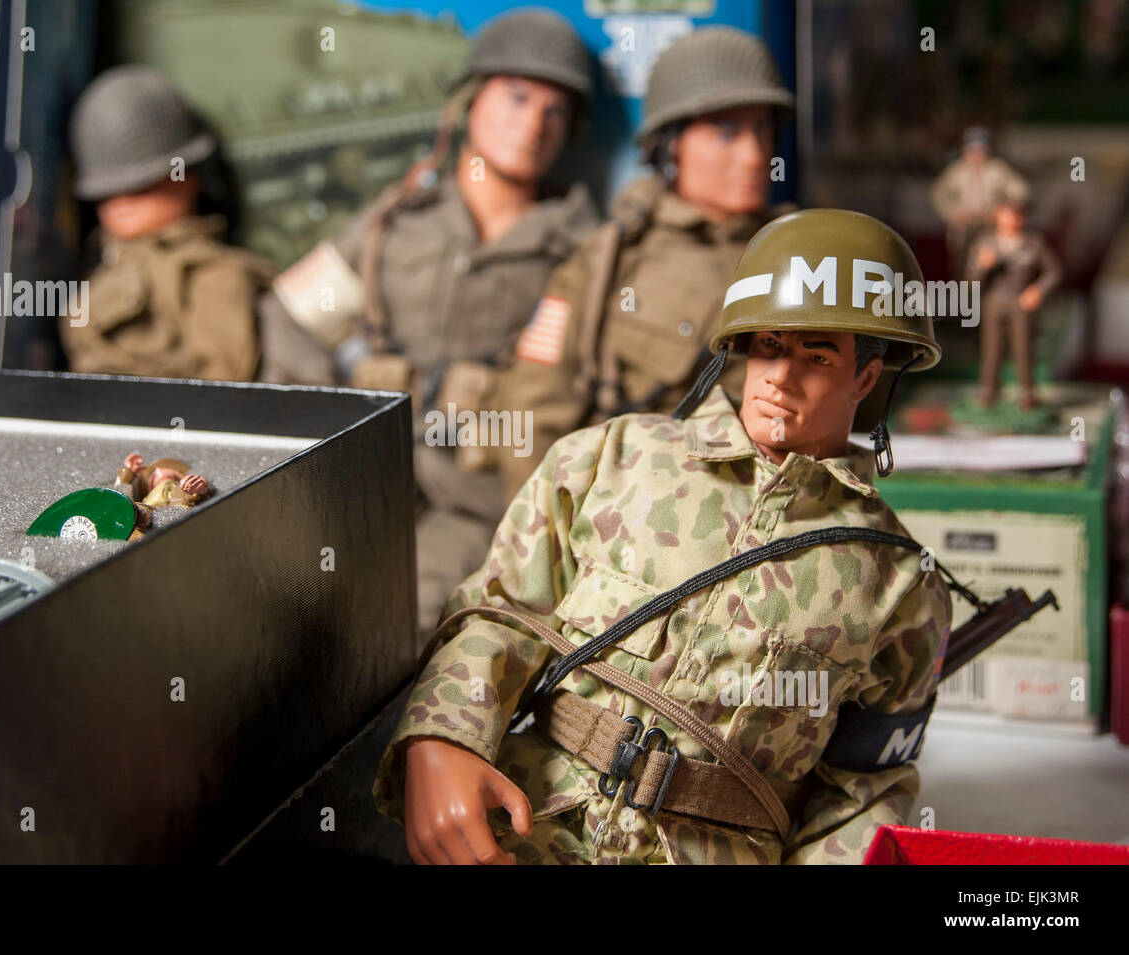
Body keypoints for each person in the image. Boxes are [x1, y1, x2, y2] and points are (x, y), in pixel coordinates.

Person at [372, 209, 954, 865]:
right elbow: (500, 610)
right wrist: (446, 737)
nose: (781, 378)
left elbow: (863, 787)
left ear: (867, 378)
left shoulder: (898, 581)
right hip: (533, 822)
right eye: (768, 344)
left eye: (817, 357)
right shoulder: (611, 460)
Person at [258, 8, 599, 641]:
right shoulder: (397, 222)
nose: (532, 125)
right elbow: (293, 315)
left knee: (403, 624)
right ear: (470, 102)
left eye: (555, 111)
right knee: (276, 597)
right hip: (360, 473)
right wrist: (320, 429)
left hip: (474, 499)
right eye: (517, 97)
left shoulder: (582, 253)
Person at [494, 26, 796, 500]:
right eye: (726, 132)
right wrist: (558, 537)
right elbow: (535, 413)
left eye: (763, 130)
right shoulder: (611, 258)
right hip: (630, 513)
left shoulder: (802, 254)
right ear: (671, 145)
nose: (755, 155)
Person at [61, 66, 273, 381]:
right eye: (110, 194)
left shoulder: (222, 275)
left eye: (143, 187)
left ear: (191, 178)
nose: (123, 202)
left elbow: (225, 378)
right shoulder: (95, 271)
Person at [965, 191, 1062, 410]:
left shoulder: (1033, 242)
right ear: (997, 215)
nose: (1013, 219)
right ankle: (988, 391)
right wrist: (981, 266)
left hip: (1021, 302)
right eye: (1007, 214)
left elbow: (1054, 272)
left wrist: (1037, 290)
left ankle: (1027, 393)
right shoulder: (984, 242)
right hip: (994, 302)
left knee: (1023, 348)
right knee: (992, 348)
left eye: (1018, 214)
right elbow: (969, 280)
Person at [930, 126, 1029, 279]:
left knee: (987, 261)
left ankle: (983, 295)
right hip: (963, 225)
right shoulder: (957, 171)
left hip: (988, 223)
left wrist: (1002, 210)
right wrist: (951, 213)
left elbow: (1020, 191)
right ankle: (963, 296)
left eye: (980, 150)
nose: (976, 154)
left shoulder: (996, 170)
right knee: (961, 263)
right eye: (972, 150)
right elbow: (939, 194)